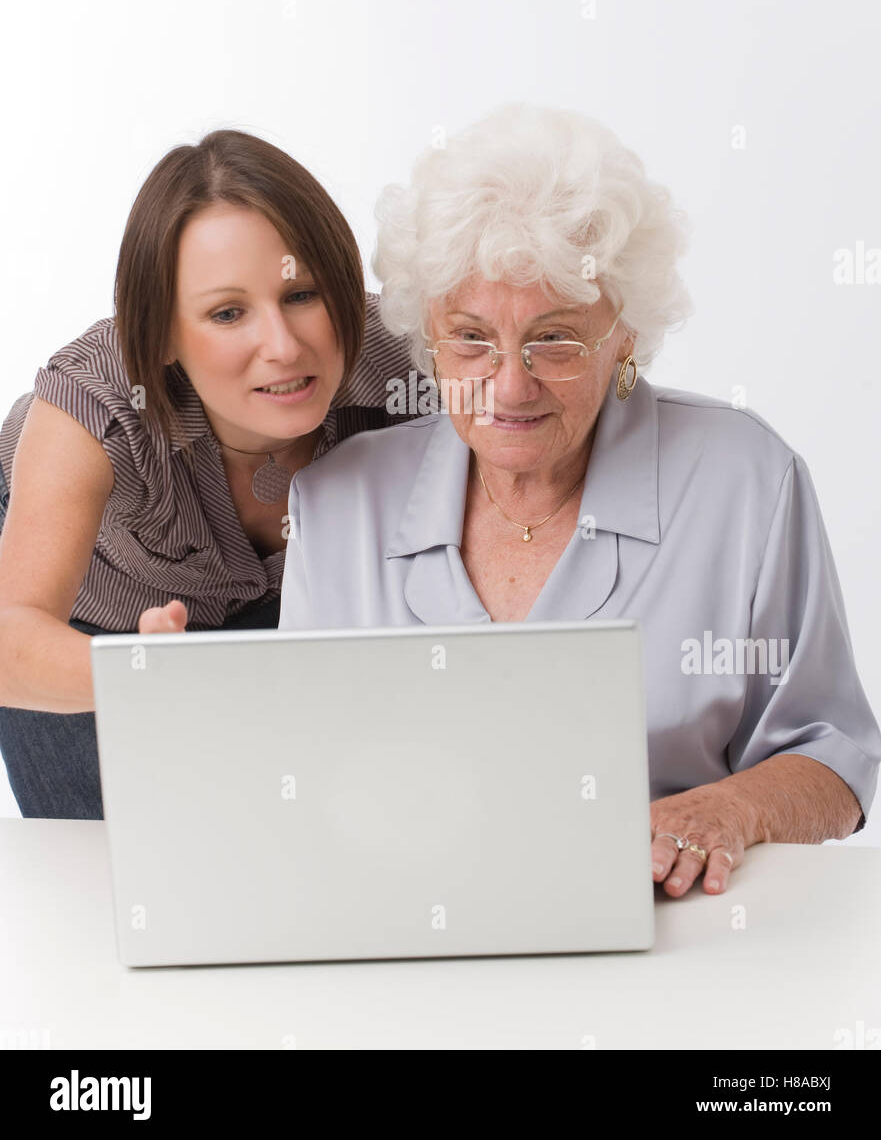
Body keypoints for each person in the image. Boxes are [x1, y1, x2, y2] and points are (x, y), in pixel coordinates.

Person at [279, 102, 881, 899]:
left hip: (674, 942)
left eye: (555, 339)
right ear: (425, 328)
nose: (509, 384)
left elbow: (835, 754)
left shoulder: (746, 481)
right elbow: (290, 777)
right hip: (404, 928)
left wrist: (728, 809)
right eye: (469, 338)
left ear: (623, 333)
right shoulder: (337, 501)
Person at [0, 129, 426, 819]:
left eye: (303, 295)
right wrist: (139, 672)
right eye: (227, 313)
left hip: (279, 617)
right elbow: (9, 635)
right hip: (95, 631)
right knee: (95, 870)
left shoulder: (409, 371)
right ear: (162, 331)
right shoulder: (92, 404)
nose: (284, 349)